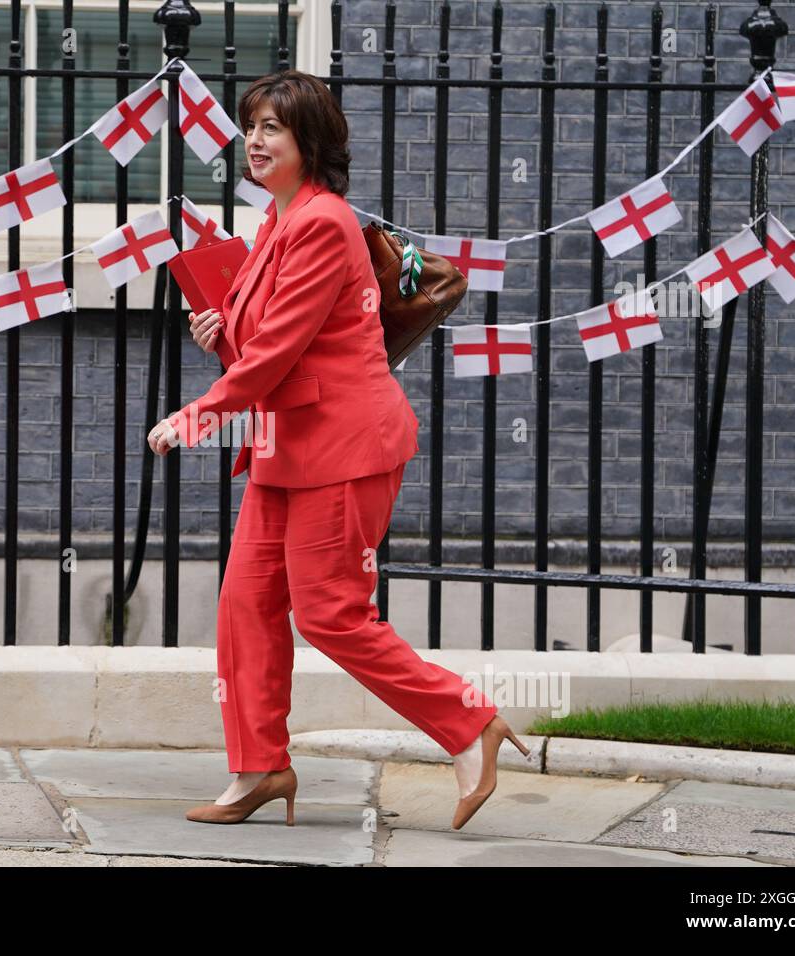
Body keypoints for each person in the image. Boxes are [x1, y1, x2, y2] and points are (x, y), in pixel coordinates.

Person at [146, 69, 529, 831]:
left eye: (272, 129)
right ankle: (259, 766)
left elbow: (282, 351)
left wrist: (198, 416)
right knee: (246, 606)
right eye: (250, 126)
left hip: (345, 446)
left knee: (330, 613)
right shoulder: (274, 225)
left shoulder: (322, 223)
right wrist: (222, 336)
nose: (254, 140)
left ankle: (468, 724)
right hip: (287, 445)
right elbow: (267, 347)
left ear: (309, 143)